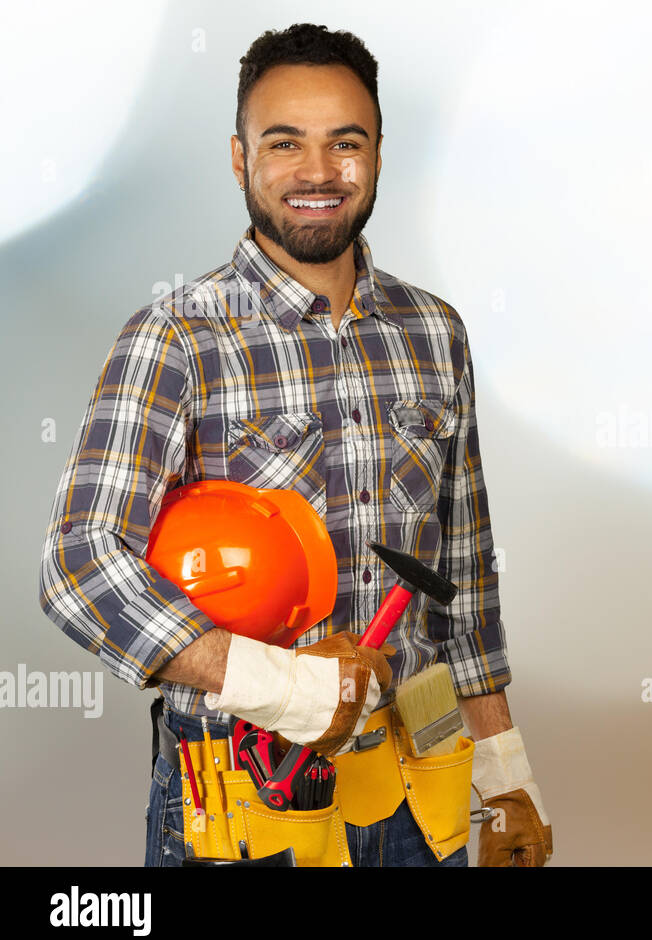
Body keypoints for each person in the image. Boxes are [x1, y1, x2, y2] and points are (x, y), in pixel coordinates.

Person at [36, 23, 552, 868]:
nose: (318, 172)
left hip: (420, 801)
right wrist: (274, 685)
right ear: (240, 160)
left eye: (345, 142)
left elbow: (463, 581)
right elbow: (79, 562)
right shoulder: (178, 337)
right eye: (285, 144)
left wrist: (502, 769)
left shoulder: (433, 332)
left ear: (379, 154)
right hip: (250, 811)